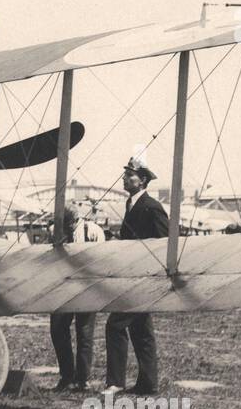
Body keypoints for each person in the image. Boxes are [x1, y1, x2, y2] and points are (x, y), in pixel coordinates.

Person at [105, 158, 169, 393]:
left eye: (129, 174)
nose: (124, 178)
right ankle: (148, 384)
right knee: (141, 331)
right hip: (134, 277)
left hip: (143, 278)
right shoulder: (132, 204)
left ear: (142, 180)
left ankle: (115, 383)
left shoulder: (151, 207)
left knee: (115, 326)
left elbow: (164, 242)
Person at [50, 204, 103, 390]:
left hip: (87, 287)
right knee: (57, 329)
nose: (67, 228)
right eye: (64, 225)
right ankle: (66, 376)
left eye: (70, 224)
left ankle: (83, 379)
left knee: (85, 333)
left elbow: (101, 258)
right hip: (63, 286)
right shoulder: (54, 231)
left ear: (76, 220)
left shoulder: (94, 231)